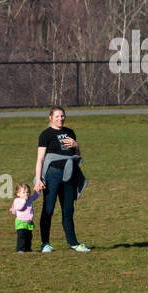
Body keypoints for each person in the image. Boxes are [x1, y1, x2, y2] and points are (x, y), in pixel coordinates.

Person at [32, 107, 90, 253]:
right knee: (49, 209)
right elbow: (40, 159)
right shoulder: (46, 135)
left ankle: (74, 243)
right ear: (50, 117)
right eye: (57, 116)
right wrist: (38, 179)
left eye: (62, 116)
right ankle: (45, 243)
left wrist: (77, 146)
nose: (60, 119)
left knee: (68, 210)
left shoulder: (70, 132)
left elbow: (76, 156)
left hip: (69, 176)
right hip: (52, 176)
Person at [9, 183, 39, 253]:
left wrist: (38, 190)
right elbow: (19, 208)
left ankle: (28, 249)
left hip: (28, 221)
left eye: (27, 192)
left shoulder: (30, 199)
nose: (26, 194)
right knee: (21, 236)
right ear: (18, 194)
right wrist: (24, 200)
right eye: (23, 192)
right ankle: (20, 249)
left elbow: (35, 196)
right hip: (20, 221)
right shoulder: (17, 200)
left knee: (29, 236)